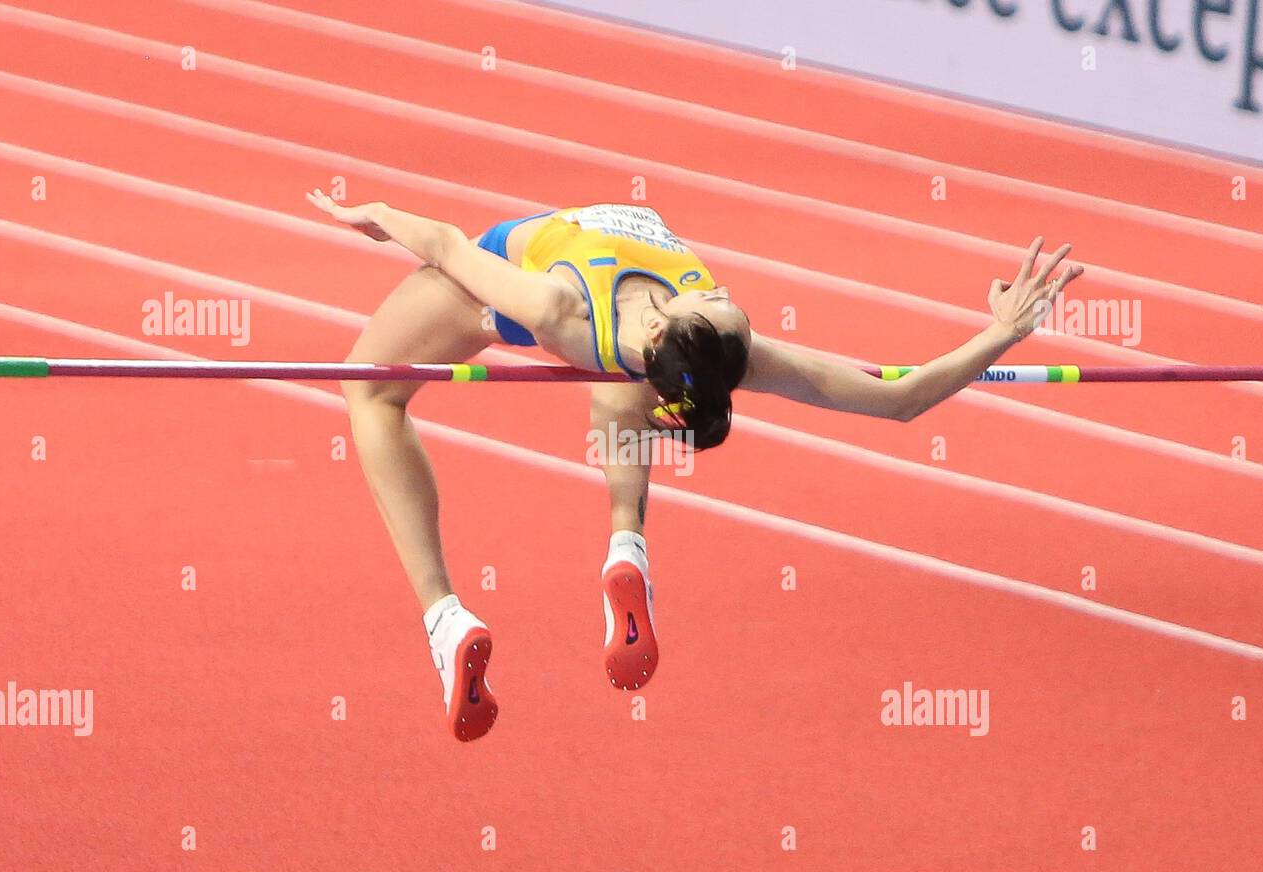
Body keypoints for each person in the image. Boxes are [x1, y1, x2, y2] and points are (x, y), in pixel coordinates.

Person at [306, 191, 1083, 742]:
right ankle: (624, 544)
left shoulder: (567, 313)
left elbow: (445, 243)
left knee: (369, 390)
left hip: (519, 277)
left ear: (666, 323)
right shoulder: (728, 356)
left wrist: (375, 215)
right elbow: (901, 397)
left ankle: (447, 619)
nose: (713, 294)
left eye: (706, 304)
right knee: (626, 394)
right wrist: (1001, 332)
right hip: (634, 366)